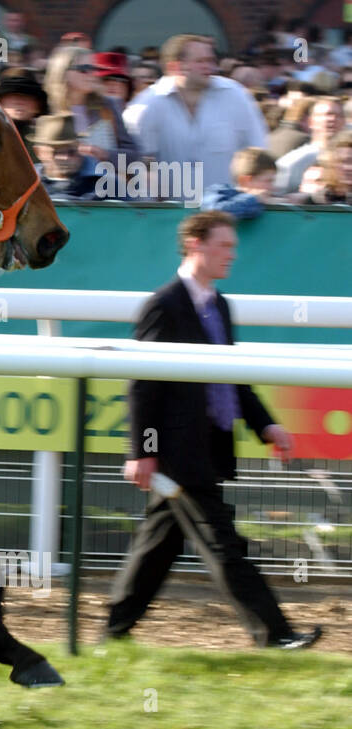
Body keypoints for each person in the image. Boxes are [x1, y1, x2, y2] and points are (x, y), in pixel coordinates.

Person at [108, 210, 321, 650]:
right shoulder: (163, 305)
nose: (232, 256)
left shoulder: (219, 304)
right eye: (224, 246)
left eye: (233, 247)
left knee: (159, 545)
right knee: (222, 542)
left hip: (207, 447)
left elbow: (233, 377)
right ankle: (274, 635)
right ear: (195, 244)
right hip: (178, 454)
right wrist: (143, 451)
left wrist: (267, 426)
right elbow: (141, 384)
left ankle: (112, 631)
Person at [123, 34, 268, 193]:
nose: (209, 67)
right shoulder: (148, 105)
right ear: (175, 67)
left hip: (227, 209)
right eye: (200, 61)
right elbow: (136, 161)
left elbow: (258, 148)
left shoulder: (236, 95)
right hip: (170, 212)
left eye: (211, 60)